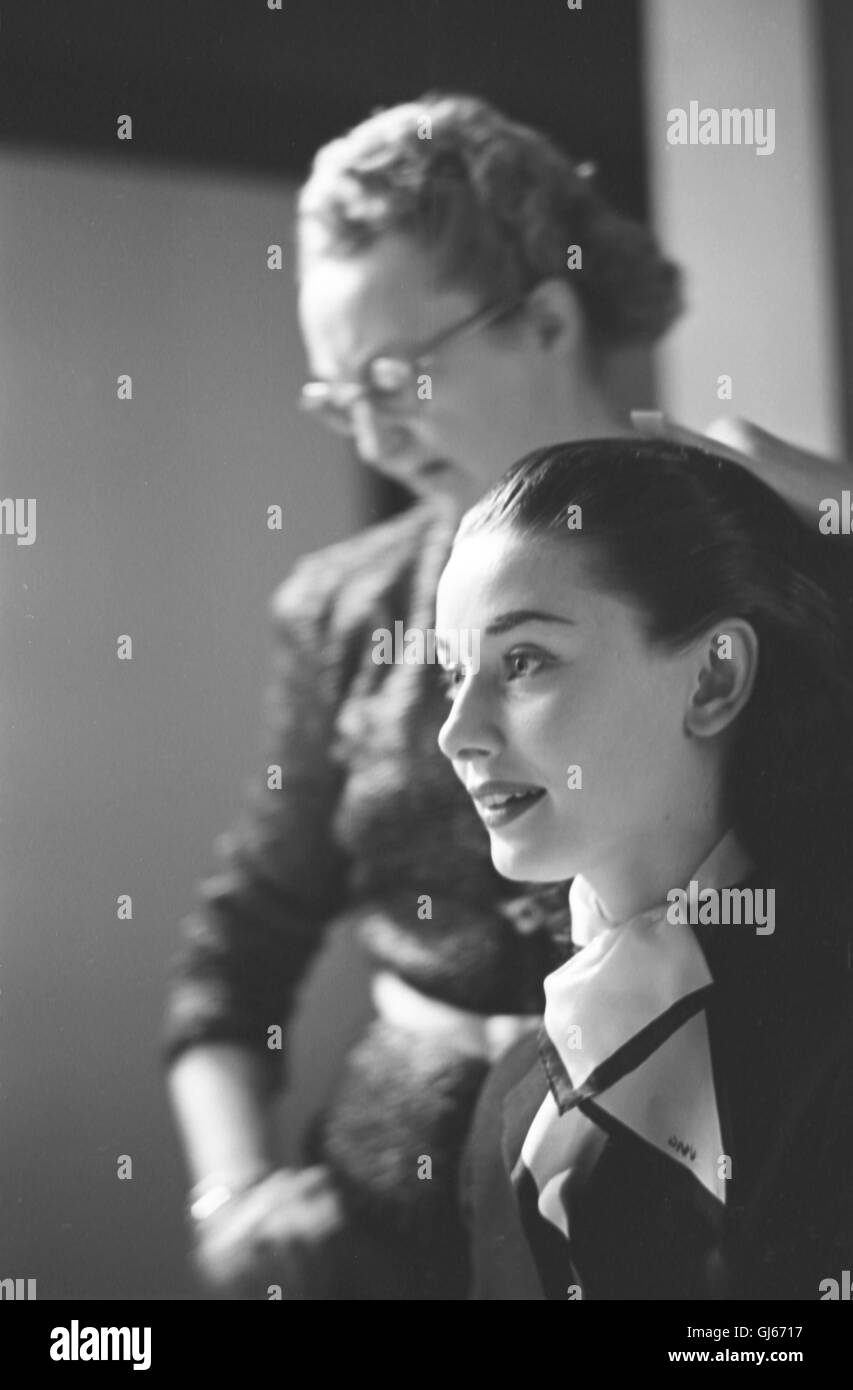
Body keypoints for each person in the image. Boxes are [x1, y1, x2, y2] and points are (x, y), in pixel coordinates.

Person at [163, 91, 846, 1301]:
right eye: (336, 400)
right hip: (381, 1225)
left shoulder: (754, 552)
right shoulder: (341, 608)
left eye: (394, 374)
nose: (370, 433)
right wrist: (232, 1193)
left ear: (542, 318)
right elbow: (240, 943)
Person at [434, 438, 853, 1300]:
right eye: (450, 675)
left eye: (522, 662)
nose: (456, 732)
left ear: (712, 677)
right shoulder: (514, 1093)